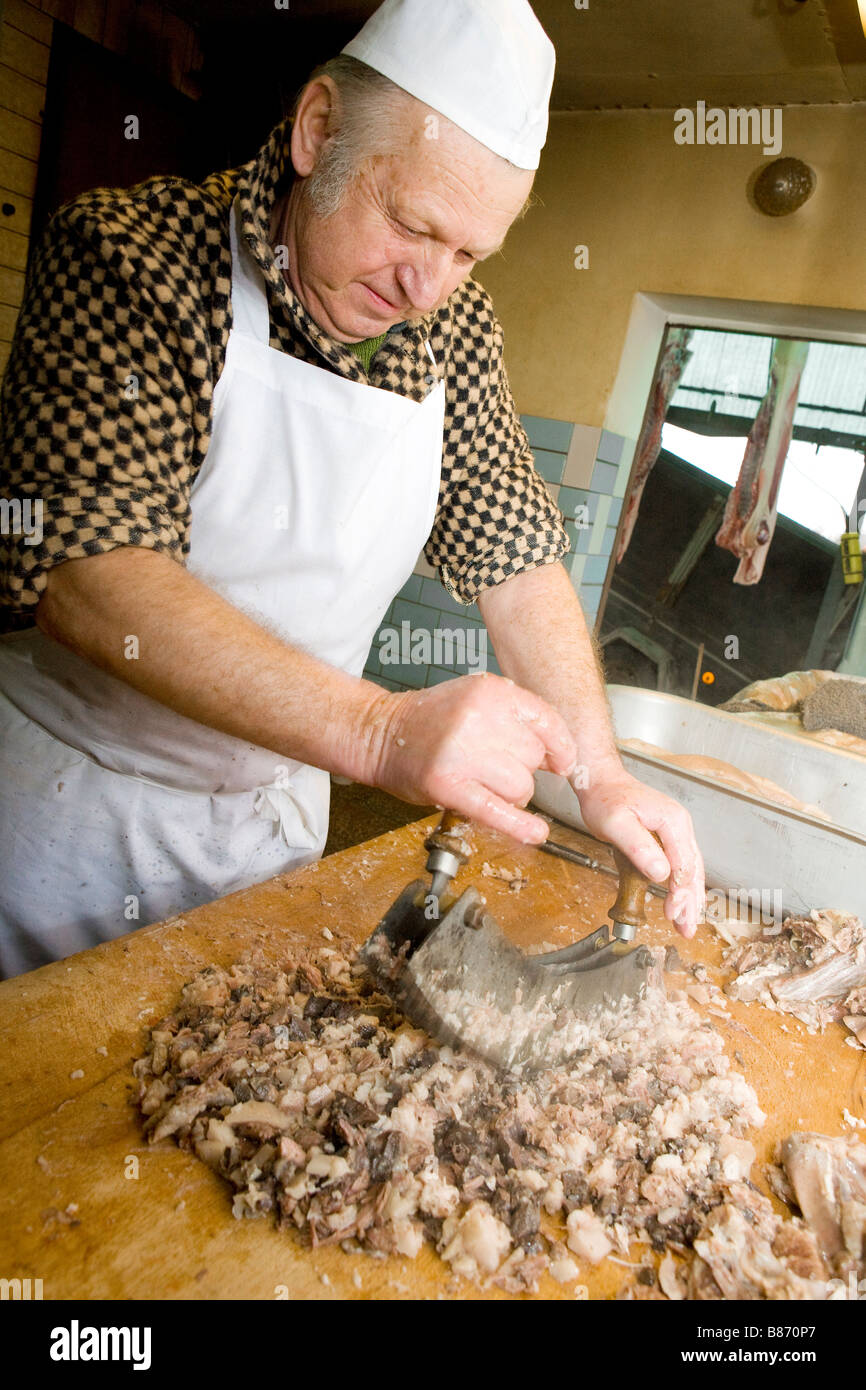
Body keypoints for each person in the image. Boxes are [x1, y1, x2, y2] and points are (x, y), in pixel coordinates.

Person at [0, 0, 704, 978]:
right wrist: (380, 728)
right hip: (75, 818)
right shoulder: (138, 256)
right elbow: (87, 571)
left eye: (467, 254)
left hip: (270, 828)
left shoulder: (451, 332)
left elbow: (516, 552)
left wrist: (601, 779)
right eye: (411, 224)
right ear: (315, 129)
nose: (428, 287)